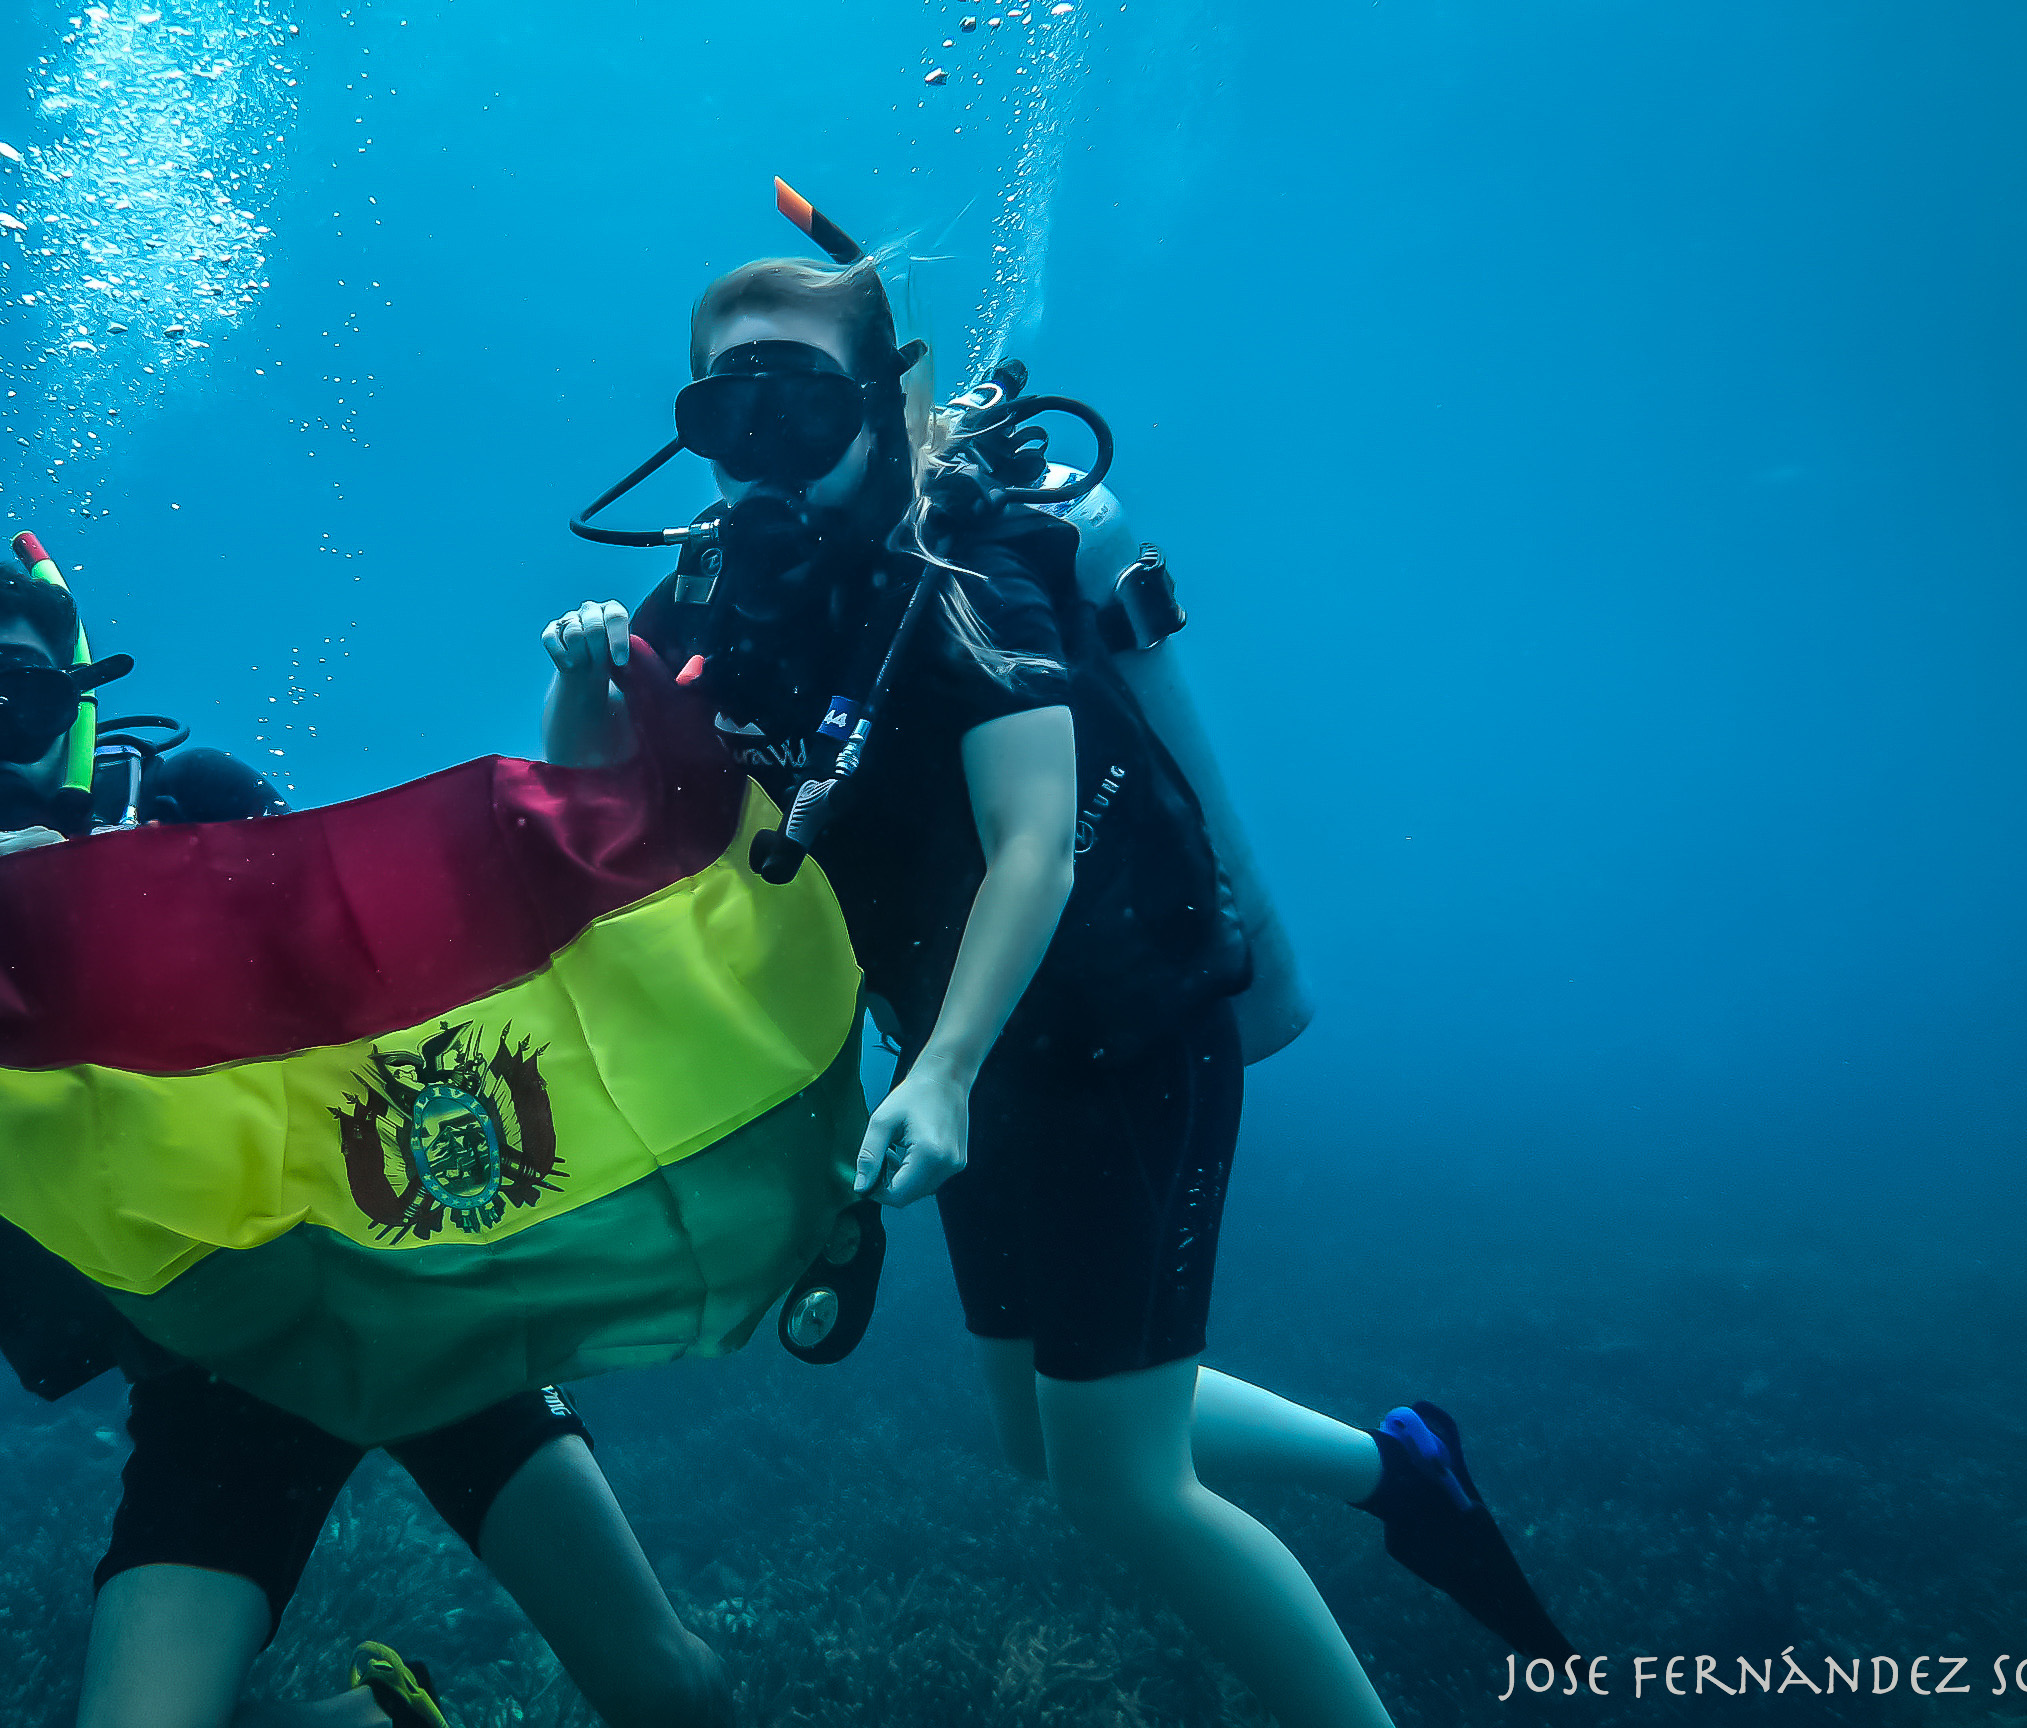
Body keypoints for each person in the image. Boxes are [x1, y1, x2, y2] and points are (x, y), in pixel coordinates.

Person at [540, 206, 1573, 1728]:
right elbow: (602, 809)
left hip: (1115, 1035)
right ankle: (1399, 1470)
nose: (761, 453)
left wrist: (944, 1072)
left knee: (1121, 1485)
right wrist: (583, 682)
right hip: (974, 1061)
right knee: (1048, 1435)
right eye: (724, 413)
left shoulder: (961, 574)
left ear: (878, 403)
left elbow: (1036, 842)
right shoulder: (711, 597)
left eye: (799, 408)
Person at [0, 556, 731, 1728]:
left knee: (665, 1690)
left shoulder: (193, 803)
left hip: (406, 1304)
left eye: (21, 698)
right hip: (208, 1376)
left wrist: (115, 894)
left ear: (75, 701)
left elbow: (364, 978)